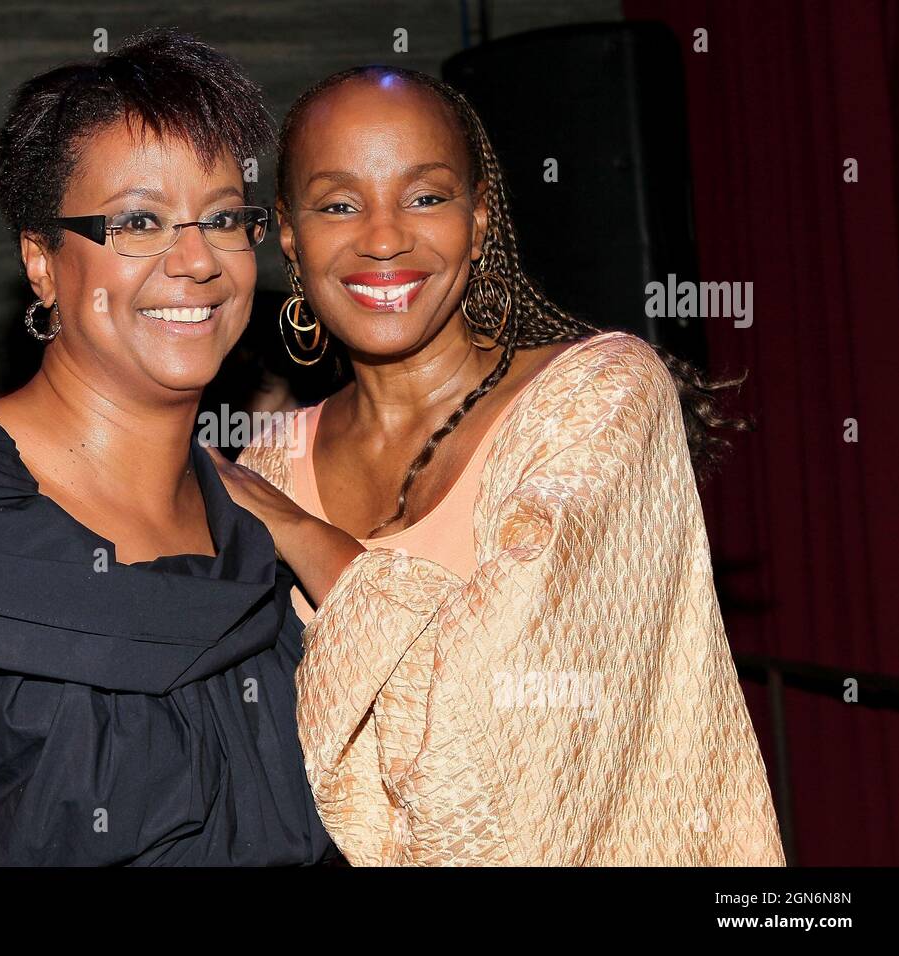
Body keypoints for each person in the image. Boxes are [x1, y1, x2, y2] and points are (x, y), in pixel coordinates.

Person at [0, 29, 334, 866]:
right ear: (41, 261)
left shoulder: (255, 514)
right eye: (138, 222)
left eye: (222, 218)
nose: (196, 262)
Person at [205, 65, 786, 865]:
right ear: (292, 238)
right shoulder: (267, 462)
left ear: (479, 222)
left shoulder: (601, 394)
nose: (382, 237)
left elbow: (502, 714)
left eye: (426, 197)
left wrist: (299, 531)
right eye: (340, 204)